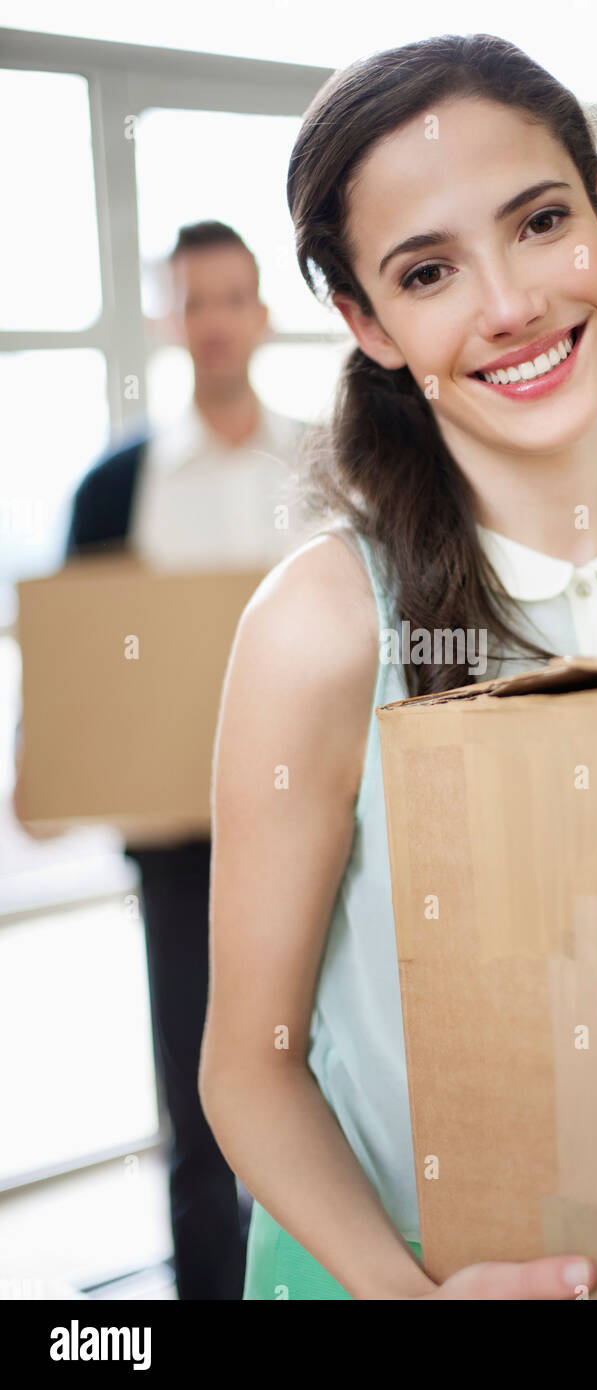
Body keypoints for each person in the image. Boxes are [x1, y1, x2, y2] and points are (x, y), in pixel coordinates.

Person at [199, 35, 597, 1301]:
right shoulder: (323, 622)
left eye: (538, 222)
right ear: (365, 323)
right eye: (427, 270)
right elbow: (248, 1064)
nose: (509, 303)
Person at [16, 220, 308, 1300]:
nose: (217, 320)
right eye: (196, 300)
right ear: (169, 319)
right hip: (183, 853)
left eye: (234, 297)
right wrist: (39, 769)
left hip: (319, 828)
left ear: (262, 312)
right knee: (202, 1103)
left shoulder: (325, 468)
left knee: (331, 1089)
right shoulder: (116, 487)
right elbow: (77, 666)